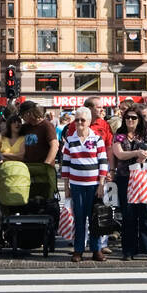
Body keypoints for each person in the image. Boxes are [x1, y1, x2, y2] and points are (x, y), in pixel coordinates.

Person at [111, 105, 147, 260]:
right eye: (128, 117)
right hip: (125, 177)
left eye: (134, 117)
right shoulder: (119, 134)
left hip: (145, 176)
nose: (130, 120)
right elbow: (119, 154)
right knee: (128, 214)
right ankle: (129, 250)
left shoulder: (146, 132)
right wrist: (135, 153)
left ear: (139, 119)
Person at [60, 106, 109, 262]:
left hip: (94, 185)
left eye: (83, 120)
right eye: (77, 120)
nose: (79, 123)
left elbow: (103, 162)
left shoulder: (97, 139)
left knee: (94, 218)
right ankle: (78, 250)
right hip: (76, 184)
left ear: (89, 122)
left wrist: (101, 185)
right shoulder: (70, 140)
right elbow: (65, 164)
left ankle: (96, 250)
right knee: (79, 219)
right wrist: (66, 187)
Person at [18, 100, 59, 165]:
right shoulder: (25, 127)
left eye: (22, 115)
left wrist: (46, 164)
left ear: (28, 113)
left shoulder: (47, 125)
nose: (22, 118)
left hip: (43, 168)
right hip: (28, 167)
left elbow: (55, 146)